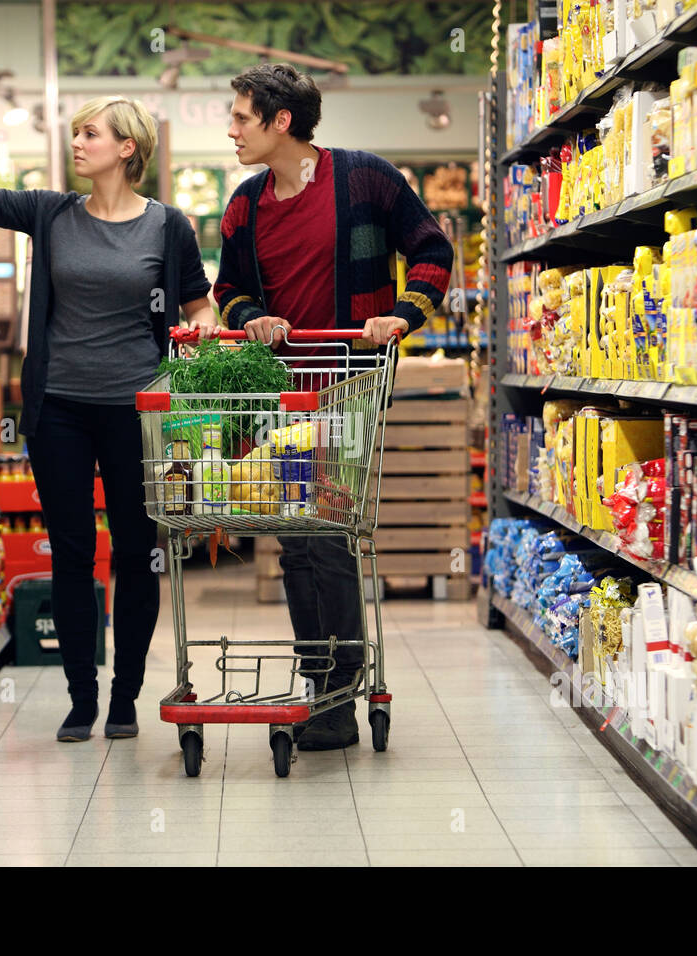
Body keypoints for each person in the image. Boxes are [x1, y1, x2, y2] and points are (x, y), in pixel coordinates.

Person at [0, 96, 216, 742]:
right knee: (73, 550)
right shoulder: (52, 212)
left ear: (126, 148)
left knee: (138, 552)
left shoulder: (169, 229)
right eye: (76, 133)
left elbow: (200, 306)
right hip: (59, 410)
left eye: (90, 134)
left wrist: (201, 351)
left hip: (141, 411)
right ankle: (82, 694)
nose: (77, 144)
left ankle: (126, 695)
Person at [214, 64, 454, 750]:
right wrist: (253, 316)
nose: (231, 130)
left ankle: (336, 690)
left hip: (349, 381)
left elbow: (432, 251)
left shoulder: (366, 180)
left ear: (279, 121)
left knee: (326, 527)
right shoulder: (245, 204)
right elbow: (228, 287)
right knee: (294, 538)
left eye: (240, 117)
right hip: (277, 388)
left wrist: (403, 316)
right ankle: (324, 683)